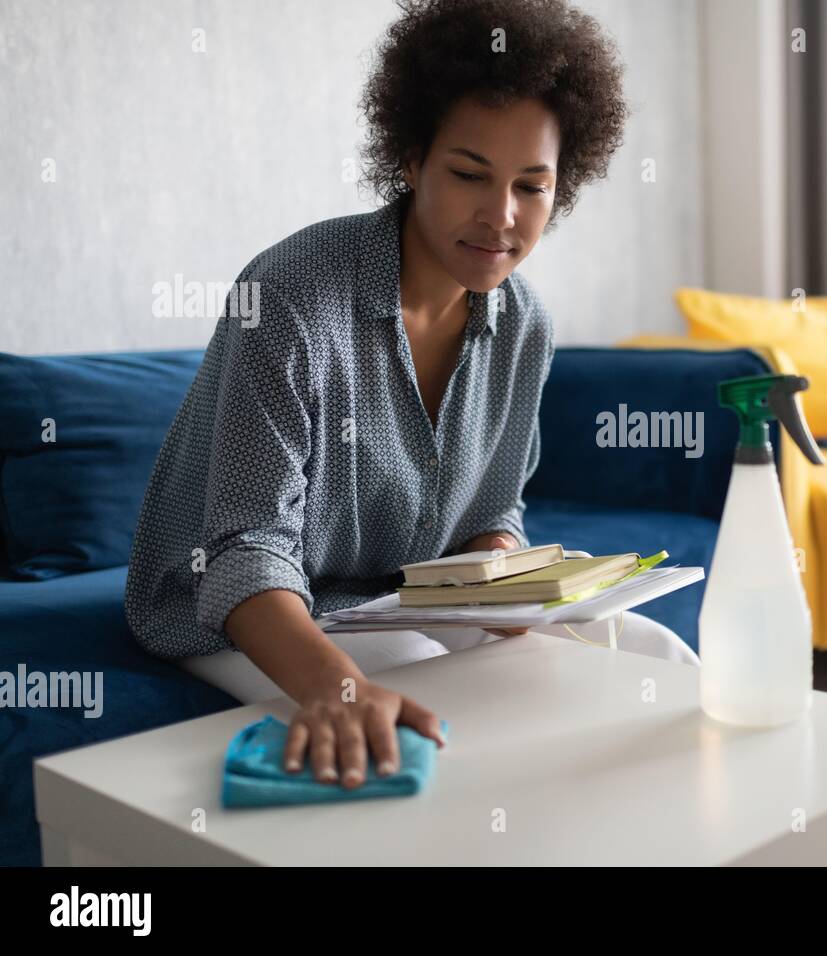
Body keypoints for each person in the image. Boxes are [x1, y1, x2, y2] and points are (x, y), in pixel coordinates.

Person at [125, 0, 697, 792]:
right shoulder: (290, 294)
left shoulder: (525, 324)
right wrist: (337, 687)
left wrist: (504, 580)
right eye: (469, 174)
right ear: (409, 156)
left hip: (387, 602)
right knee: (434, 681)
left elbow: (492, 513)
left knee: (657, 656)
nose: (501, 217)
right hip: (234, 609)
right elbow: (245, 550)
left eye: (532, 187)